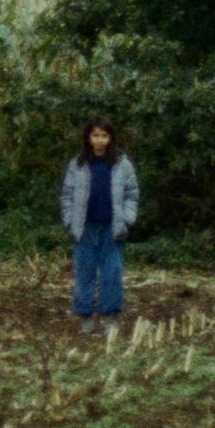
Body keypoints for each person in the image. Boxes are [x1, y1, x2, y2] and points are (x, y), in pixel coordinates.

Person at [61, 117, 138, 323]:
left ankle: (111, 313)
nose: (100, 140)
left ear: (110, 138)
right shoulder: (78, 164)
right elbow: (67, 195)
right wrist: (70, 221)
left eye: (104, 135)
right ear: (88, 137)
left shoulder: (122, 164)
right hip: (84, 227)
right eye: (96, 135)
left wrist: (128, 219)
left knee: (111, 272)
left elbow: (132, 194)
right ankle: (85, 313)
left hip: (112, 228)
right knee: (85, 271)